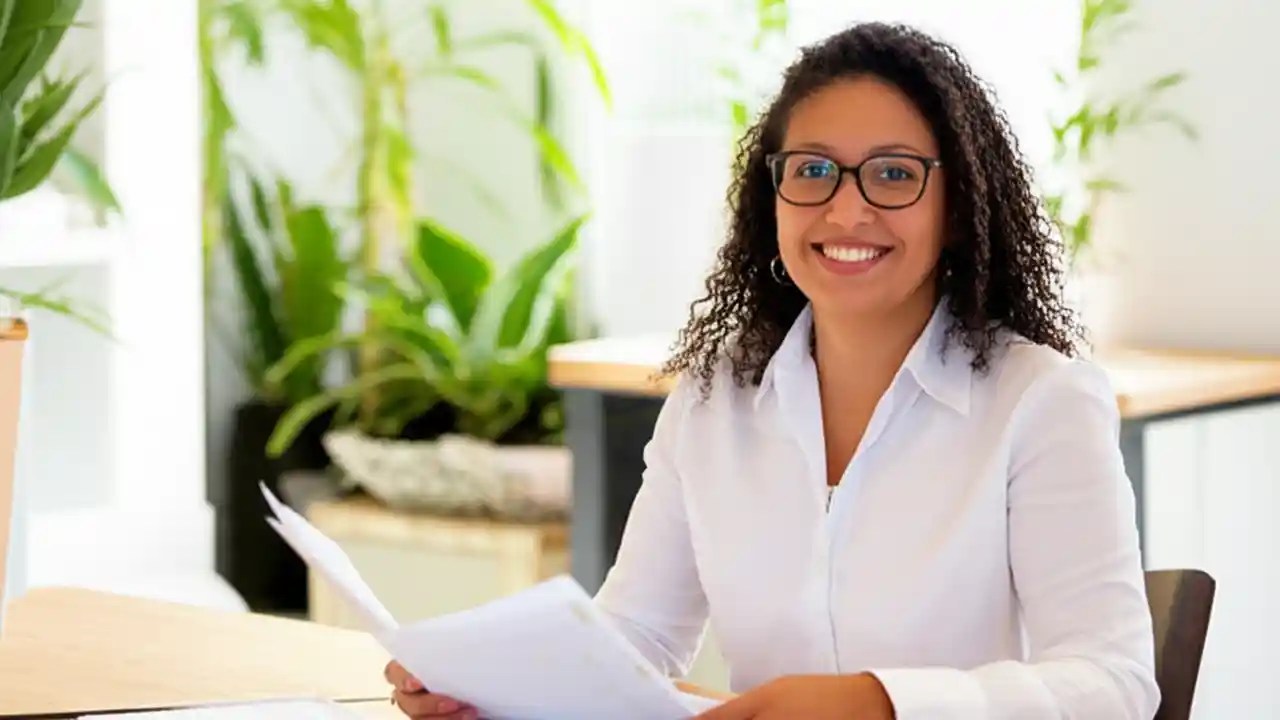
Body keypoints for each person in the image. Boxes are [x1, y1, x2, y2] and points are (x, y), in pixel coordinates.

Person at [385, 21, 1158, 720]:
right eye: (814, 169)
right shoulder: (713, 400)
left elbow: (1112, 683)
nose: (847, 212)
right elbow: (635, 637)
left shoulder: (1043, 402)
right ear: (774, 196)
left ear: (956, 208)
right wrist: (499, 687)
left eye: (893, 175)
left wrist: (881, 703)